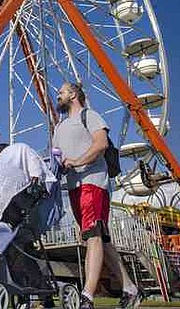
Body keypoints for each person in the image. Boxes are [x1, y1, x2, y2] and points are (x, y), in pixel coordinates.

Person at [52, 82, 141, 309]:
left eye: (61, 92)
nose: (57, 95)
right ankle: (131, 289)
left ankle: (87, 296)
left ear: (73, 95)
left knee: (93, 234)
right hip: (73, 187)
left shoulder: (89, 116)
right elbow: (57, 157)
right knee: (101, 239)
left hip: (93, 183)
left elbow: (101, 144)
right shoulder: (59, 127)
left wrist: (78, 162)